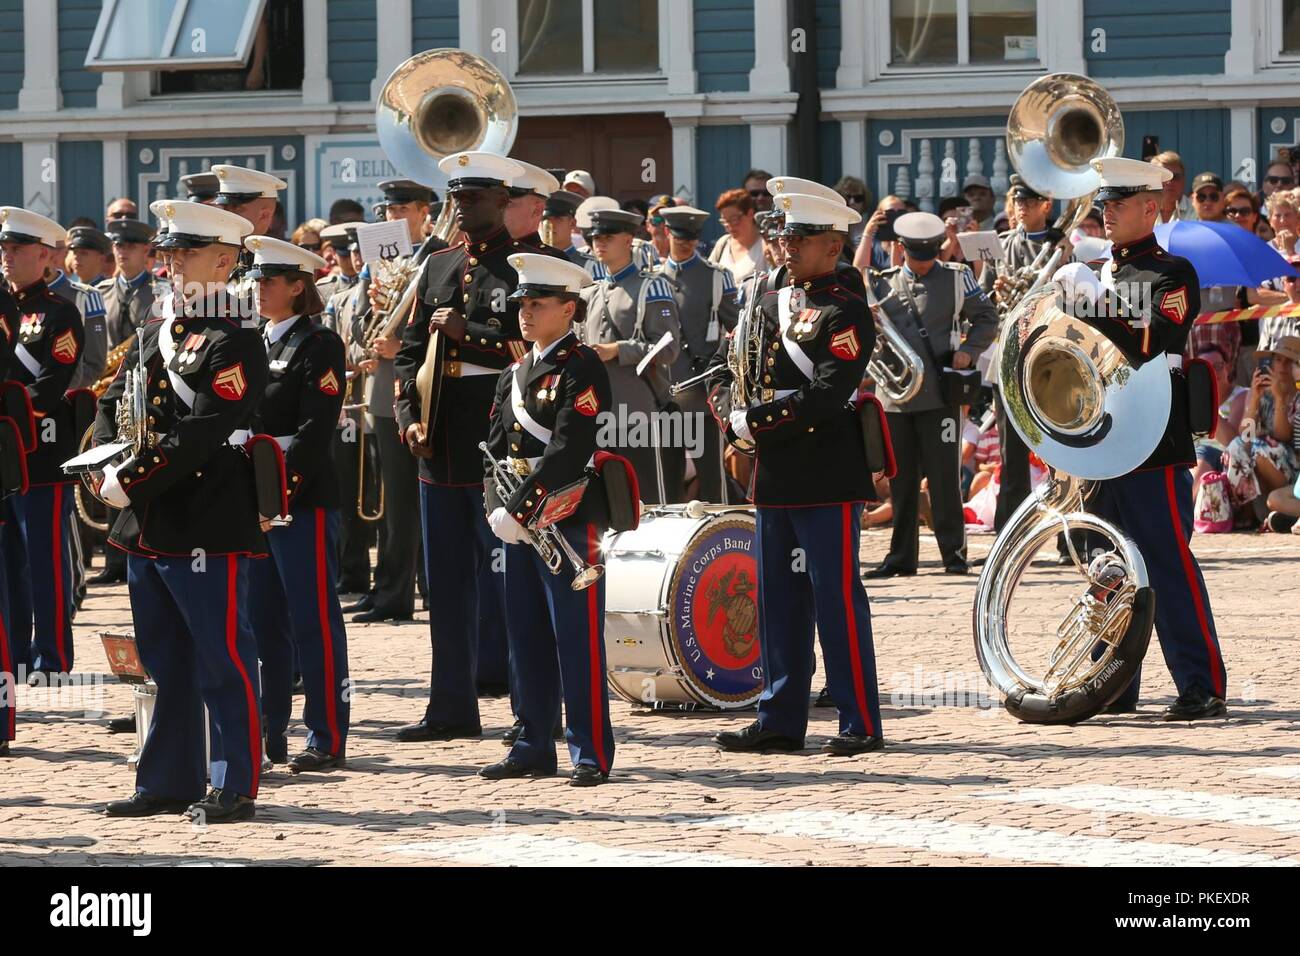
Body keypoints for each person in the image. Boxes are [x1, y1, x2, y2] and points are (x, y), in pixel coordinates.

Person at [95, 200, 269, 821]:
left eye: (184, 253)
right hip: (150, 522)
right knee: (163, 660)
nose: (169, 264)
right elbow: (115, 402)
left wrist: (132, 478)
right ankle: (167, 777)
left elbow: (205, 430)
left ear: (223, 261)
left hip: (206, 517)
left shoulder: (237, 337)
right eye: (166, 253)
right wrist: (98, 461)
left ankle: (235, 780)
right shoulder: (157, 332)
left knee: (221, 658)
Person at [393, 150, 563, 742]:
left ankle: (528, 711)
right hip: (439, 440)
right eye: (457, 198)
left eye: (475, 199)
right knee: (446, 584)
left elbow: (534, 352)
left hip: (501, 440)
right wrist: (407, 414)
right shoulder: (437, 264)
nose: (463, 209)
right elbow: (412, 351)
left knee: (511, 580)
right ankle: (450, 707)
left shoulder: (528, 268)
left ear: (502, 201)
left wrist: (477, 335)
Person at [1053, 155, 1227, 719]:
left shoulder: (1172, 272)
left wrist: (1093, 301)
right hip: (1096, 434)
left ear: (1151, 208)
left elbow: (1151, 337)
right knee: (1108, 564)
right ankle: (1113, 678)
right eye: (1103, 203)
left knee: (1165, 559)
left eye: (1119, 203)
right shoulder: (1096, 268)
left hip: (1152, 436)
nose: (1106, 213)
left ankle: (1199, 683)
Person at [712, 189, 884, 756]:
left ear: (833, 246)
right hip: (776, 473)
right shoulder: (768, 300)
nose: (785, 246)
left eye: (798, 238)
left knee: (835, 599)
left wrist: (754, 422)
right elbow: (731, 364)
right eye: (783, 236)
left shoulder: (845, 308)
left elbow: (827, 395)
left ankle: (859, 719)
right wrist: (727, 410)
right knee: (777, 601)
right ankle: (780, 717)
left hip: (826, 471)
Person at [479, 253, 615, 785]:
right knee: (526, 635)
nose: (526, 313)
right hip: (518, 521)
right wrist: (495, 507)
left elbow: (568, 447)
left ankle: (589, 751)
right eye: (522, 304)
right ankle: (533, 742)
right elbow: (491, 449)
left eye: (538, 304)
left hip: (567, 515)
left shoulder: (581, 366)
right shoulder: (513, 373)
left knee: (575, 638)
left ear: (569, 308)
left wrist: (521, 507)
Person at [243, 235, 350, 773]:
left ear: (298, 286)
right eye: (256, 280)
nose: (258, 289)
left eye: (269, 281)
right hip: (254, 497)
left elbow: (315, 429)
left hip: (300, 497)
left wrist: (279, 491)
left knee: (313, 618)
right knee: (263, 621)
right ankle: (269, 728)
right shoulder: (252, 340)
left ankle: (327, 733)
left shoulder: (319, 344)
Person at [865, 211, 997, 578]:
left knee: (943, 478)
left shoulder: (958, 278)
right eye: (915, 257)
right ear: (901, 250)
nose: (923, 265)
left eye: (929, 256)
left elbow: (987, 316)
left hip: (940, 395)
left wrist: (970, 349)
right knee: (901, 480)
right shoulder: (885, 283)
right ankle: (900, 557)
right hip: (895, 397)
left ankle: (953, 553)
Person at [0, 208, 84, 683]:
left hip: (41, 454)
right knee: (8, 563)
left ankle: (51, 658)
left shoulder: (59, 312)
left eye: (17, 250)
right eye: (4, 249)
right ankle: (10, 654)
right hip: (3, 455)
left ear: (45, 255)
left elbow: (50, 385)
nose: (7, 257)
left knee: (44, 563)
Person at [578, 207, 683, 504]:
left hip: (639, 412)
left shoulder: (652, 287)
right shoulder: (591, 292)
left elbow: (668, 348)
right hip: (599, 413)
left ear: (628, 240)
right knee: (611, 502)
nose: (599, 242)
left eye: (608, 237)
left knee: (648, 499)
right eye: (595, 236)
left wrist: (618, 350)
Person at [981, 173, 1054, 532]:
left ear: (1046, 205)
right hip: (1009, 355)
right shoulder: (1001, 245)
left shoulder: (1062, 245)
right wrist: (996, 292)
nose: (1021, 209)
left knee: (1058, 451)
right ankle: (1008, 529)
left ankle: (1062, 531)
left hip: (1048, 354)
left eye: (1028, 202)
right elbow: (982, 305)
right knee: (1010, 454)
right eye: (1018, 202)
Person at [659, 205, 739, 502]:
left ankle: (721, 535)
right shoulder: (653, 281)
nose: (687, 243)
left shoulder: (716, 278)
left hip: (704, 393)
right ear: (667, 233)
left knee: (712, 476)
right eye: (680, 237)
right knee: (668, 476)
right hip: (664, 394)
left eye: (692, 237)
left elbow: (737, 331)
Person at [1223, 336, 1299, 523]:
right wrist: (1254, 400)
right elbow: (1245, 434)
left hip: (1291, 467)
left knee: (1263, 449)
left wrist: (1280, 399)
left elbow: (1283, 436)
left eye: (1289, 361)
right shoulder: (1260, 392)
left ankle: (1269, 509)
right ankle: (1248, 509)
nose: (1282, 366)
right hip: (1264, 457)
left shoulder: (1297, 396)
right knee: (1237, 446)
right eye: (1278, 359)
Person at [709, 189, 764, 285]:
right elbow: (708, 276)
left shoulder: (765, 245)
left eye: (734, 220)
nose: (729, 226)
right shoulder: (723, 243)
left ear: (750, 213)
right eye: (724, 221)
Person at [540, 188, 584, 264]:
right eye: (545, 219)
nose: (550, 225)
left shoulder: (589, 265)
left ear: (572, 223)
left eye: (557, 219)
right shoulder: (530, 260)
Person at [1150, 150, 1191, 223]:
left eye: (1175, 177)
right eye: (1164, 177)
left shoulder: (1197, 213)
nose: (1169, 182)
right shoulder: (1142, 213)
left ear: (1184, 180)